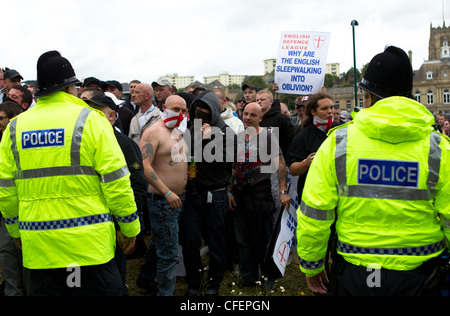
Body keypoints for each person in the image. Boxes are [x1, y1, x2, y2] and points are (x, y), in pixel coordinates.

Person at [297, 46, 450, 296]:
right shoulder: (438, 148)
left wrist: (312, 265)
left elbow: (315, 212)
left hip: (355, 274)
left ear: (368, 97)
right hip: (420, 274)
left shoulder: (338, 144)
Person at [0, 51, 140, 296]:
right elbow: (116, 182)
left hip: (40, 247)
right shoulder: (92, 121)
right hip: (90, 248)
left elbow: (6, 191)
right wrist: (130, 228)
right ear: (70, 89)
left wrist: (15, 232)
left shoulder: (15, 128)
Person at [228, 102, 291, 289]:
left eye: (252, 115)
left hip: (260, 195)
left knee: (263, 238)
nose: (247, 117)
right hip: (240, 194)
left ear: (260, 118)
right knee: (243, 239)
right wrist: (229, 190)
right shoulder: (239, 138)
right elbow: (234, 166)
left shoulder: (268, 138)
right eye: (245, 113)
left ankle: (267, 278)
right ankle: (248, 277)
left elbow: (280, 165)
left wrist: (282, 191)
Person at [179, 90, 235, 296]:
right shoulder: (190, 129)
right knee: (190, 239)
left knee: (216, 240)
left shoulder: (226, 131)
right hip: (192, 194)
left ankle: (213, 284)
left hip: (215, 194)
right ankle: (194, 282)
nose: (200, 113)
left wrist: (210, 141)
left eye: (205, 110)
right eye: (197, 109)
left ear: (213, 111)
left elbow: (226, 163)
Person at [137, 95, 188, 296]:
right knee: (169, 254)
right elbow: (145, 166)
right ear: (163, 107)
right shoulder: (152, 132)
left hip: (177, 199)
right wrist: (167, 192)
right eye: (176, 109)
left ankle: (145, 278)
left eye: (184, 111)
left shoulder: (177, 131)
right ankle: (164, 293)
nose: (180, 114)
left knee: (161, 242)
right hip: (162, 201)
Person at [0, 100, 31, 296]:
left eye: (1, 118)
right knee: (7, 253)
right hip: (7, 207)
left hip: (25, 207)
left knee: (25, 256)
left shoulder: (21, 140)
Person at [287, 93, 337, 200]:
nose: (330, 111)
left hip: (337, 192)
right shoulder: (302, 136)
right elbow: (292, 169)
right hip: (312, 195)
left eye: (332, 107)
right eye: (324, 108)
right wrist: (306, 163)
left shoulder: (341, 130)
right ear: (313, 112)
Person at [256, 89, 296, 160]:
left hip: (277, 161)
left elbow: (292, 139)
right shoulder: (254, 119)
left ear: (271, 101)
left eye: (262, 99)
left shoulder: (281, 118)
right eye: (257, 100)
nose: (259, 102)